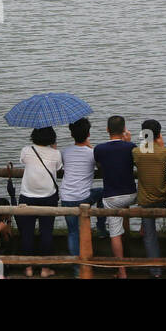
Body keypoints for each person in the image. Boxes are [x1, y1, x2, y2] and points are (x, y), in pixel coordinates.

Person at [93, 115, 136, 279]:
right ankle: (140, 231)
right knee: (133, 209)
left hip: (112, 198)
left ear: (107, 130)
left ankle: (122, 271)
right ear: (124, 130)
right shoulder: (131, 147)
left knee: (115, 234)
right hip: (132, 195)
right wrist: (128, 141)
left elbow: (98, 165)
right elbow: (142, 156)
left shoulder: (99, 149)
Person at [18, 126, 62, 277]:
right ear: (52, 138)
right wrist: (54, 147)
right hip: (48, 196)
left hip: (27, 196)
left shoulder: (26, 150)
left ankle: (28, 268)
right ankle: (45, 269)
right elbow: (59, 167)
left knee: (27, 232)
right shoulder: (56, 153)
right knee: (46, 232)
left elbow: (23, 161)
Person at [132, 119, 166, 278]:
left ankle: (155, 271)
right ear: (159, 134)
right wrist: (160, 146)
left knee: (149, 236)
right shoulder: (164, 152)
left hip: (146, 201)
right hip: (164, 198)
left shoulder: (136, 152)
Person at [59, 117, 98, 261]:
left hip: (66, 198)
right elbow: (99, 165)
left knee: (73, 232)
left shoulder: (65, 152)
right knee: (103, 192)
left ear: (71, 134)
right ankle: (101, 226)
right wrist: (90, 146)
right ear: (88, 134)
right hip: (83, 198)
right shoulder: (92, 153)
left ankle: (77, 268)